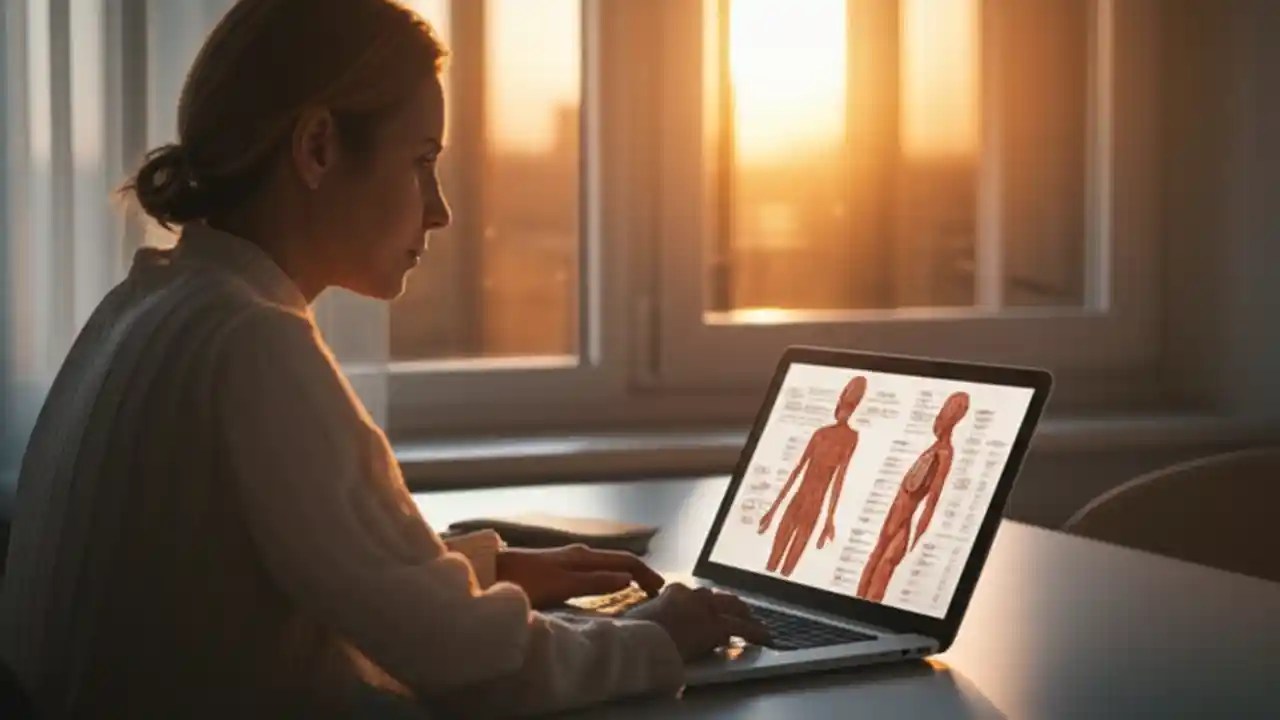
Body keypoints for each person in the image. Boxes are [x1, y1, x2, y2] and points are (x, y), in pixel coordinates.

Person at [0, 1, 768, 717]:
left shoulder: (143, 309)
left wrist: (483, 570)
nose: (440, 210)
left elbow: (292, 571)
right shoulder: (255, 347)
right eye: (421, 160)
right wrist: (660, 635)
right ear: (318, 146)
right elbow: (476, 669)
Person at [856, 391, 970, 603]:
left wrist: (917, 539)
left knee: (885, 563)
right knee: (876, 559)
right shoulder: (934, 448)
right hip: (894, 515)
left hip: (903, 518)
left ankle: (864, 610)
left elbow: (932, 500)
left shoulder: (944, 452)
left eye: (950, 410)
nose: (942, 415)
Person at [757, 376, 867, 577]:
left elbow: (836, 481)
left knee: (784, 568)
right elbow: (799, 471)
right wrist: (772, 510)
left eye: (847, 405)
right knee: (775, 565)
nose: (844, 409)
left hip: (810, 504)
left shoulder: (842, 437)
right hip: (802, 502)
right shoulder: (826, 434)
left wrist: (829, 519)